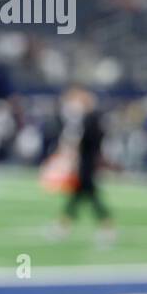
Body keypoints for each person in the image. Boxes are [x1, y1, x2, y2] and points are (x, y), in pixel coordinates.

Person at [51, 87, 116, 246]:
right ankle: (63, 226)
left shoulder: (91, 118)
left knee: (88, 196)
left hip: (87, 163)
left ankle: (106, 228)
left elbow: (86, 140)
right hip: (86, 161)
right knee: (79, 196)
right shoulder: (88, 118)